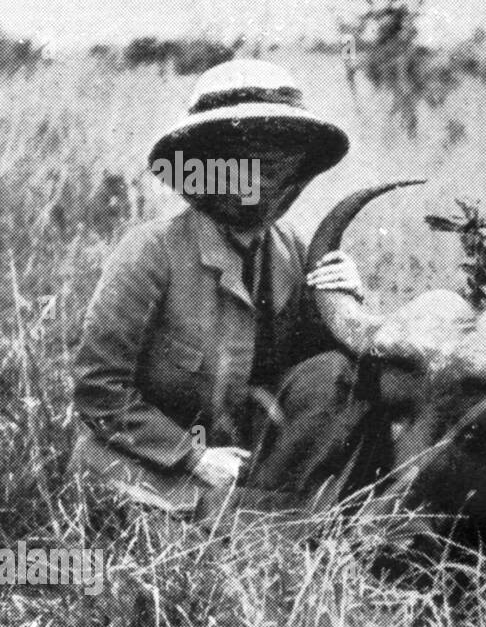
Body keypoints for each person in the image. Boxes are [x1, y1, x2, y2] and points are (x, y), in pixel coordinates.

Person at [71, 59, 389, 528]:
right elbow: (99, 390)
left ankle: (277, 511)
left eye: (278, 160)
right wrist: (192, 457)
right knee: (186, 523)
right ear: (203, 169)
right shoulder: (150, 251)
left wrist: (347, 302)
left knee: (339, 372)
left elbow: (318, 375)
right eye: (240, 159)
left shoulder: (293, 250)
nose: (259, 177)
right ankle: (273, 519)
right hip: (151, 459)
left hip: (247, 457)